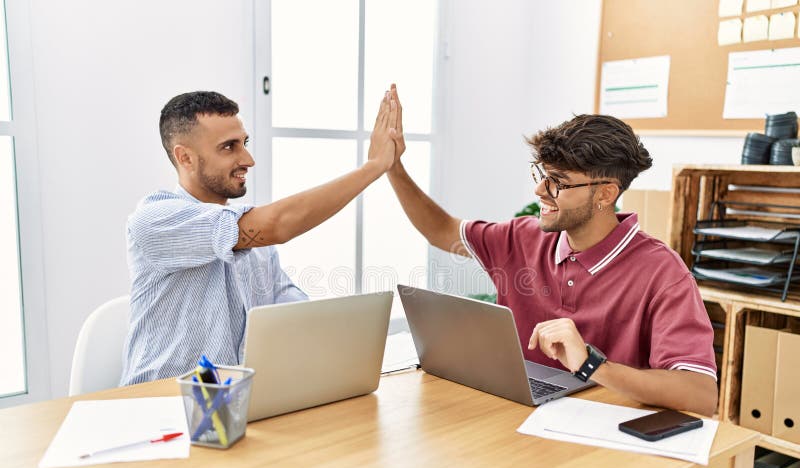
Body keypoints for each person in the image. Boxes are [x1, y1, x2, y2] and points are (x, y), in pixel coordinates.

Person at [385, 85, 718, 416]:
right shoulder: (522, 237)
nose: (540, 189)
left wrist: (592, 365)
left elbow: (700, 394)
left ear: (604, 194)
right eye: (542, 174)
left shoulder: (663, 273)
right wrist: (393, 168)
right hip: (519, 421)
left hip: (601, 440)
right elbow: (441, 230)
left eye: (557, 181)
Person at [120, 90, 397, 385]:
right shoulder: (154, 219)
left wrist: (351, 341)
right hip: (157, 404)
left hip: (232, 406)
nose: (248, 159)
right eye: (229, 147)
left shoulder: (253, 239)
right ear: (185, 157)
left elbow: (294, 312)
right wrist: (374, 167)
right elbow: (278, 224)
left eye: (245, 143)